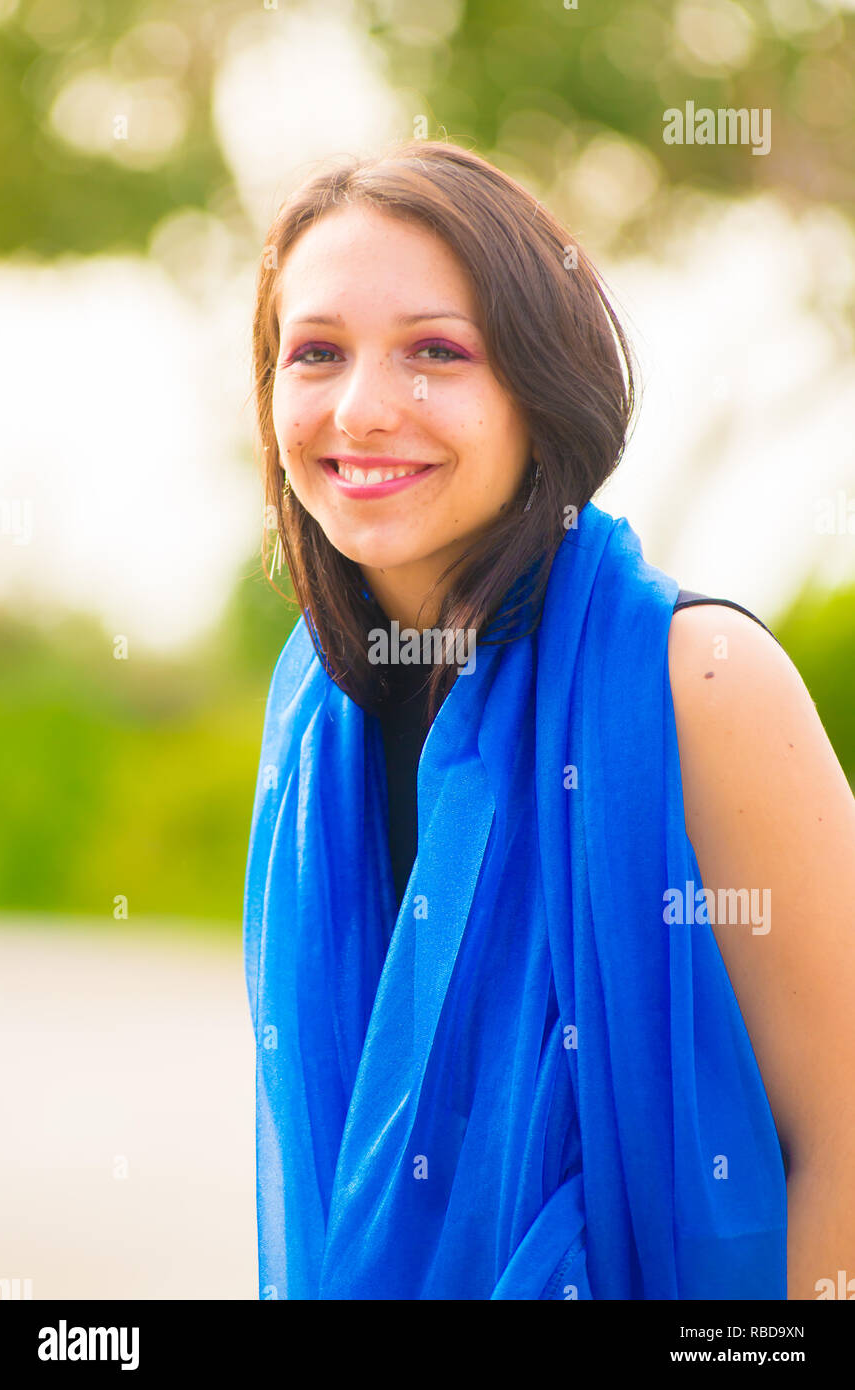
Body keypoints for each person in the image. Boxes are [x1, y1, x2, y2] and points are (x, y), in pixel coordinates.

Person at [242, 139, 855, 1300]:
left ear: (541, 387)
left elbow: (848, 1135)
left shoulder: (697, 680)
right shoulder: (309, 717)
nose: (365, 408)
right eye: (315, 353)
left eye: (436, 351)